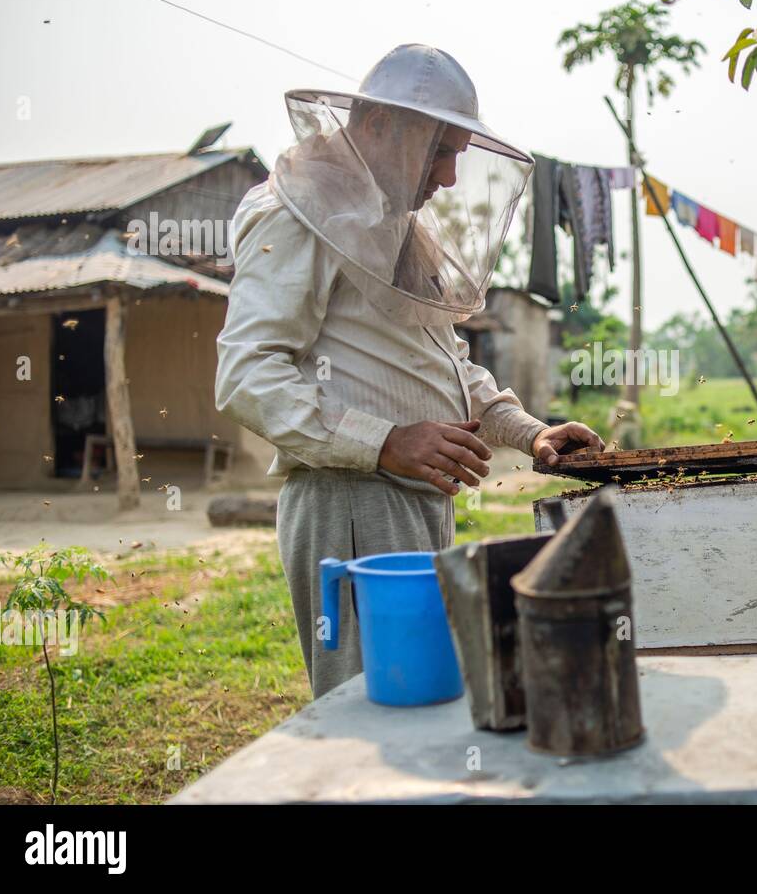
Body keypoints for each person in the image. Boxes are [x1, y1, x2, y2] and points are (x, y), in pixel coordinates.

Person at [216, 45, 602, 698]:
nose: (449, 177)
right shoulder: (295, 211)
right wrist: (386, 442)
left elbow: (445, 362)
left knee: (422, 693)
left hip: (414, 498)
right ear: (376, 128)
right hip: (350, 501)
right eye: (439, 152)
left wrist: (530, 432)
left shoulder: (400, 228)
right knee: (372, 707)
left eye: (456, 153)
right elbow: (246, 373)